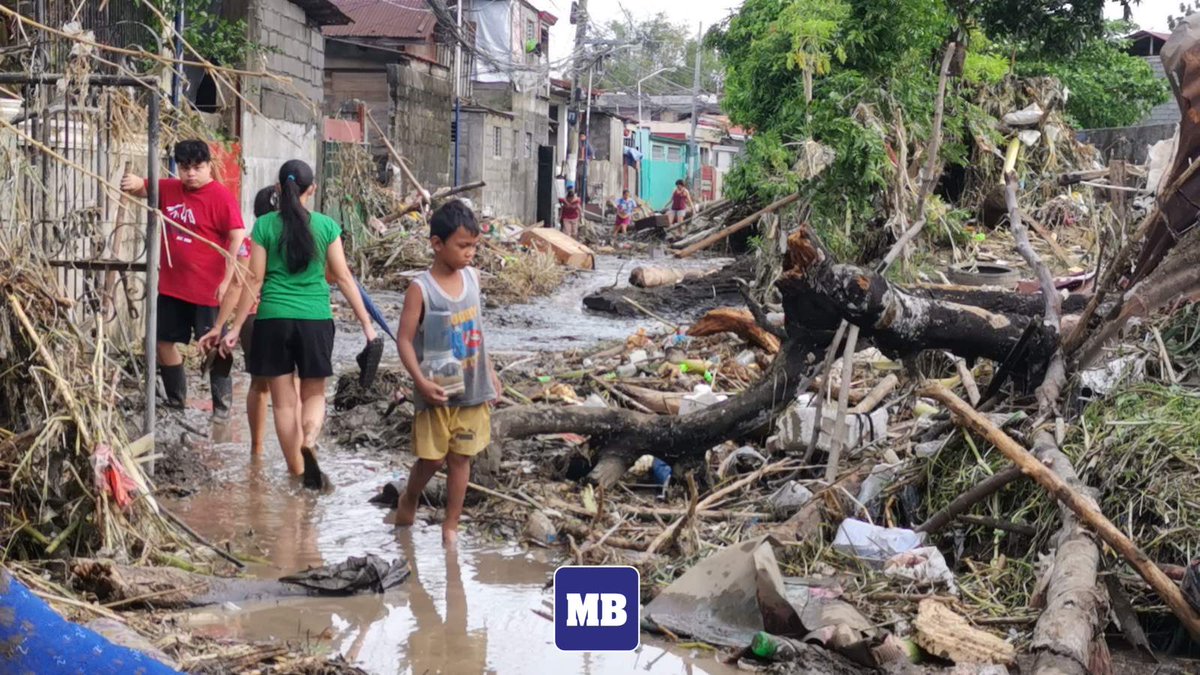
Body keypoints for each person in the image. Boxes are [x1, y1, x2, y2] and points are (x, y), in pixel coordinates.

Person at [200, 160, 378, 488]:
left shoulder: (266, 225)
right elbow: (343, 277)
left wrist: (236, 327)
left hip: (272, 319)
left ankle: (297, 473)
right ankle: (309, 440)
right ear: (312, 190)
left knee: (283, 403)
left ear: (279, 189)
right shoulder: (327, 226)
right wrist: (367, 326)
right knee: (313, 395)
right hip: (315, 320)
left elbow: (253, 279)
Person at [394, 200, 502, 546]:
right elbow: (405, 340)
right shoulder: (421, 289)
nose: (470, 254)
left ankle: (450, 526)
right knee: (433, 457)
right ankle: (410, 495)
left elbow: (479, 331)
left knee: (461, 458)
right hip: (436, 390)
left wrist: (492, 373)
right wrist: (420, 382)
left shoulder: (473, 279)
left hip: (472, 387)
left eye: (474, 246)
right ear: (437, 244)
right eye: (462, 246)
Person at [121, 140, 244, 418]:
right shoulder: (169, 189)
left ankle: (221, 409)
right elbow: (143, 187)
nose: (190, 174)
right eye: (185, 168)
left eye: (197, 168)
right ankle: (176, 402)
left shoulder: (221, 197)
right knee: (164, 341)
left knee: (215, 346)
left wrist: (227, 276)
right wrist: (132, 181)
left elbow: (236, 235)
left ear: (209, 167)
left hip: (207, 290)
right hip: (172, 287)